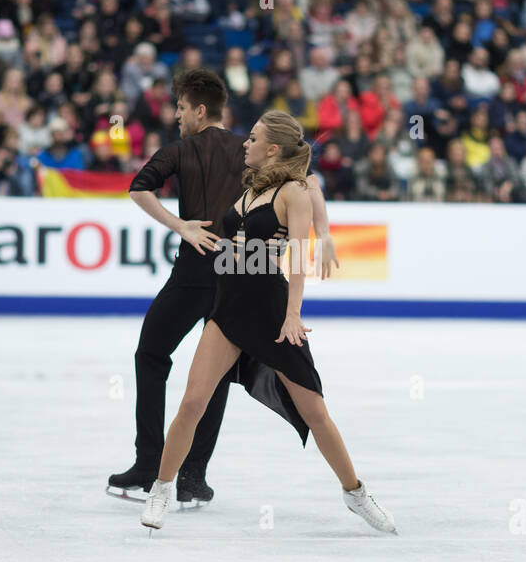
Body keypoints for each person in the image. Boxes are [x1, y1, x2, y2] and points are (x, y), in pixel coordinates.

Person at [139, 110, 395, 534]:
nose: (245, 143)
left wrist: (294, 312)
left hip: (272, 313)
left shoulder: (294, 190)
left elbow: (297, 253)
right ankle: (162, 488)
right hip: (228, 308)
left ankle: (355, 493)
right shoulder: (251, 185)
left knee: (315, 411)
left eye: (253, 138)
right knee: (192, 403)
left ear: (272, 148)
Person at [109, 69, 337, 505]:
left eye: (180, 108)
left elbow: (138, 189)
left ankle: (148, 465)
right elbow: (308, 183)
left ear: (198, 109)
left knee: (152, 354)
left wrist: (181, 227)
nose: (176, 116)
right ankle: (193, 476)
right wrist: (323, 235)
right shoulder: (247, 149)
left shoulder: (183, 149)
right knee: (215, 378)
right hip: (237, 277)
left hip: (195, 274)